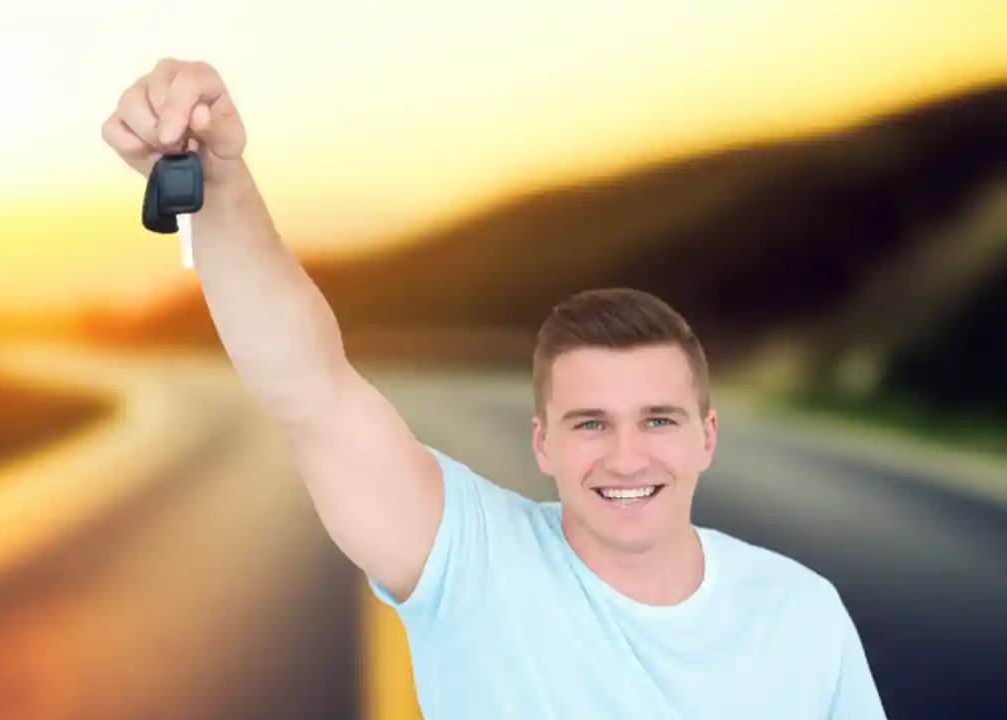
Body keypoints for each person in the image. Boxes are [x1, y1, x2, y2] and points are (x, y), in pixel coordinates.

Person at [101, 58, 889, 719]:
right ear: (540, 441)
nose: (625, 456)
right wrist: (223, 185)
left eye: (657, 419)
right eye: (589, 424)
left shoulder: (801, 611)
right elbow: (309, 388)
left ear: (706, 437)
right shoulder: (474, 562)